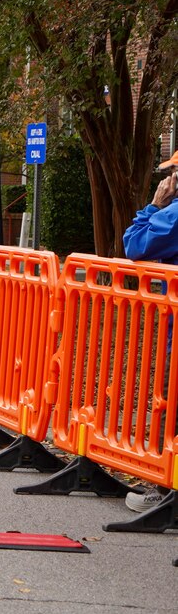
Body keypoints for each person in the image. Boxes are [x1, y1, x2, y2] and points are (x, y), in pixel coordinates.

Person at [120, 153, 178, 515]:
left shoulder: (172, 215)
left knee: (171, 404)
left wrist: (154, 205)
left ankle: (162, 484)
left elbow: (135, 243)